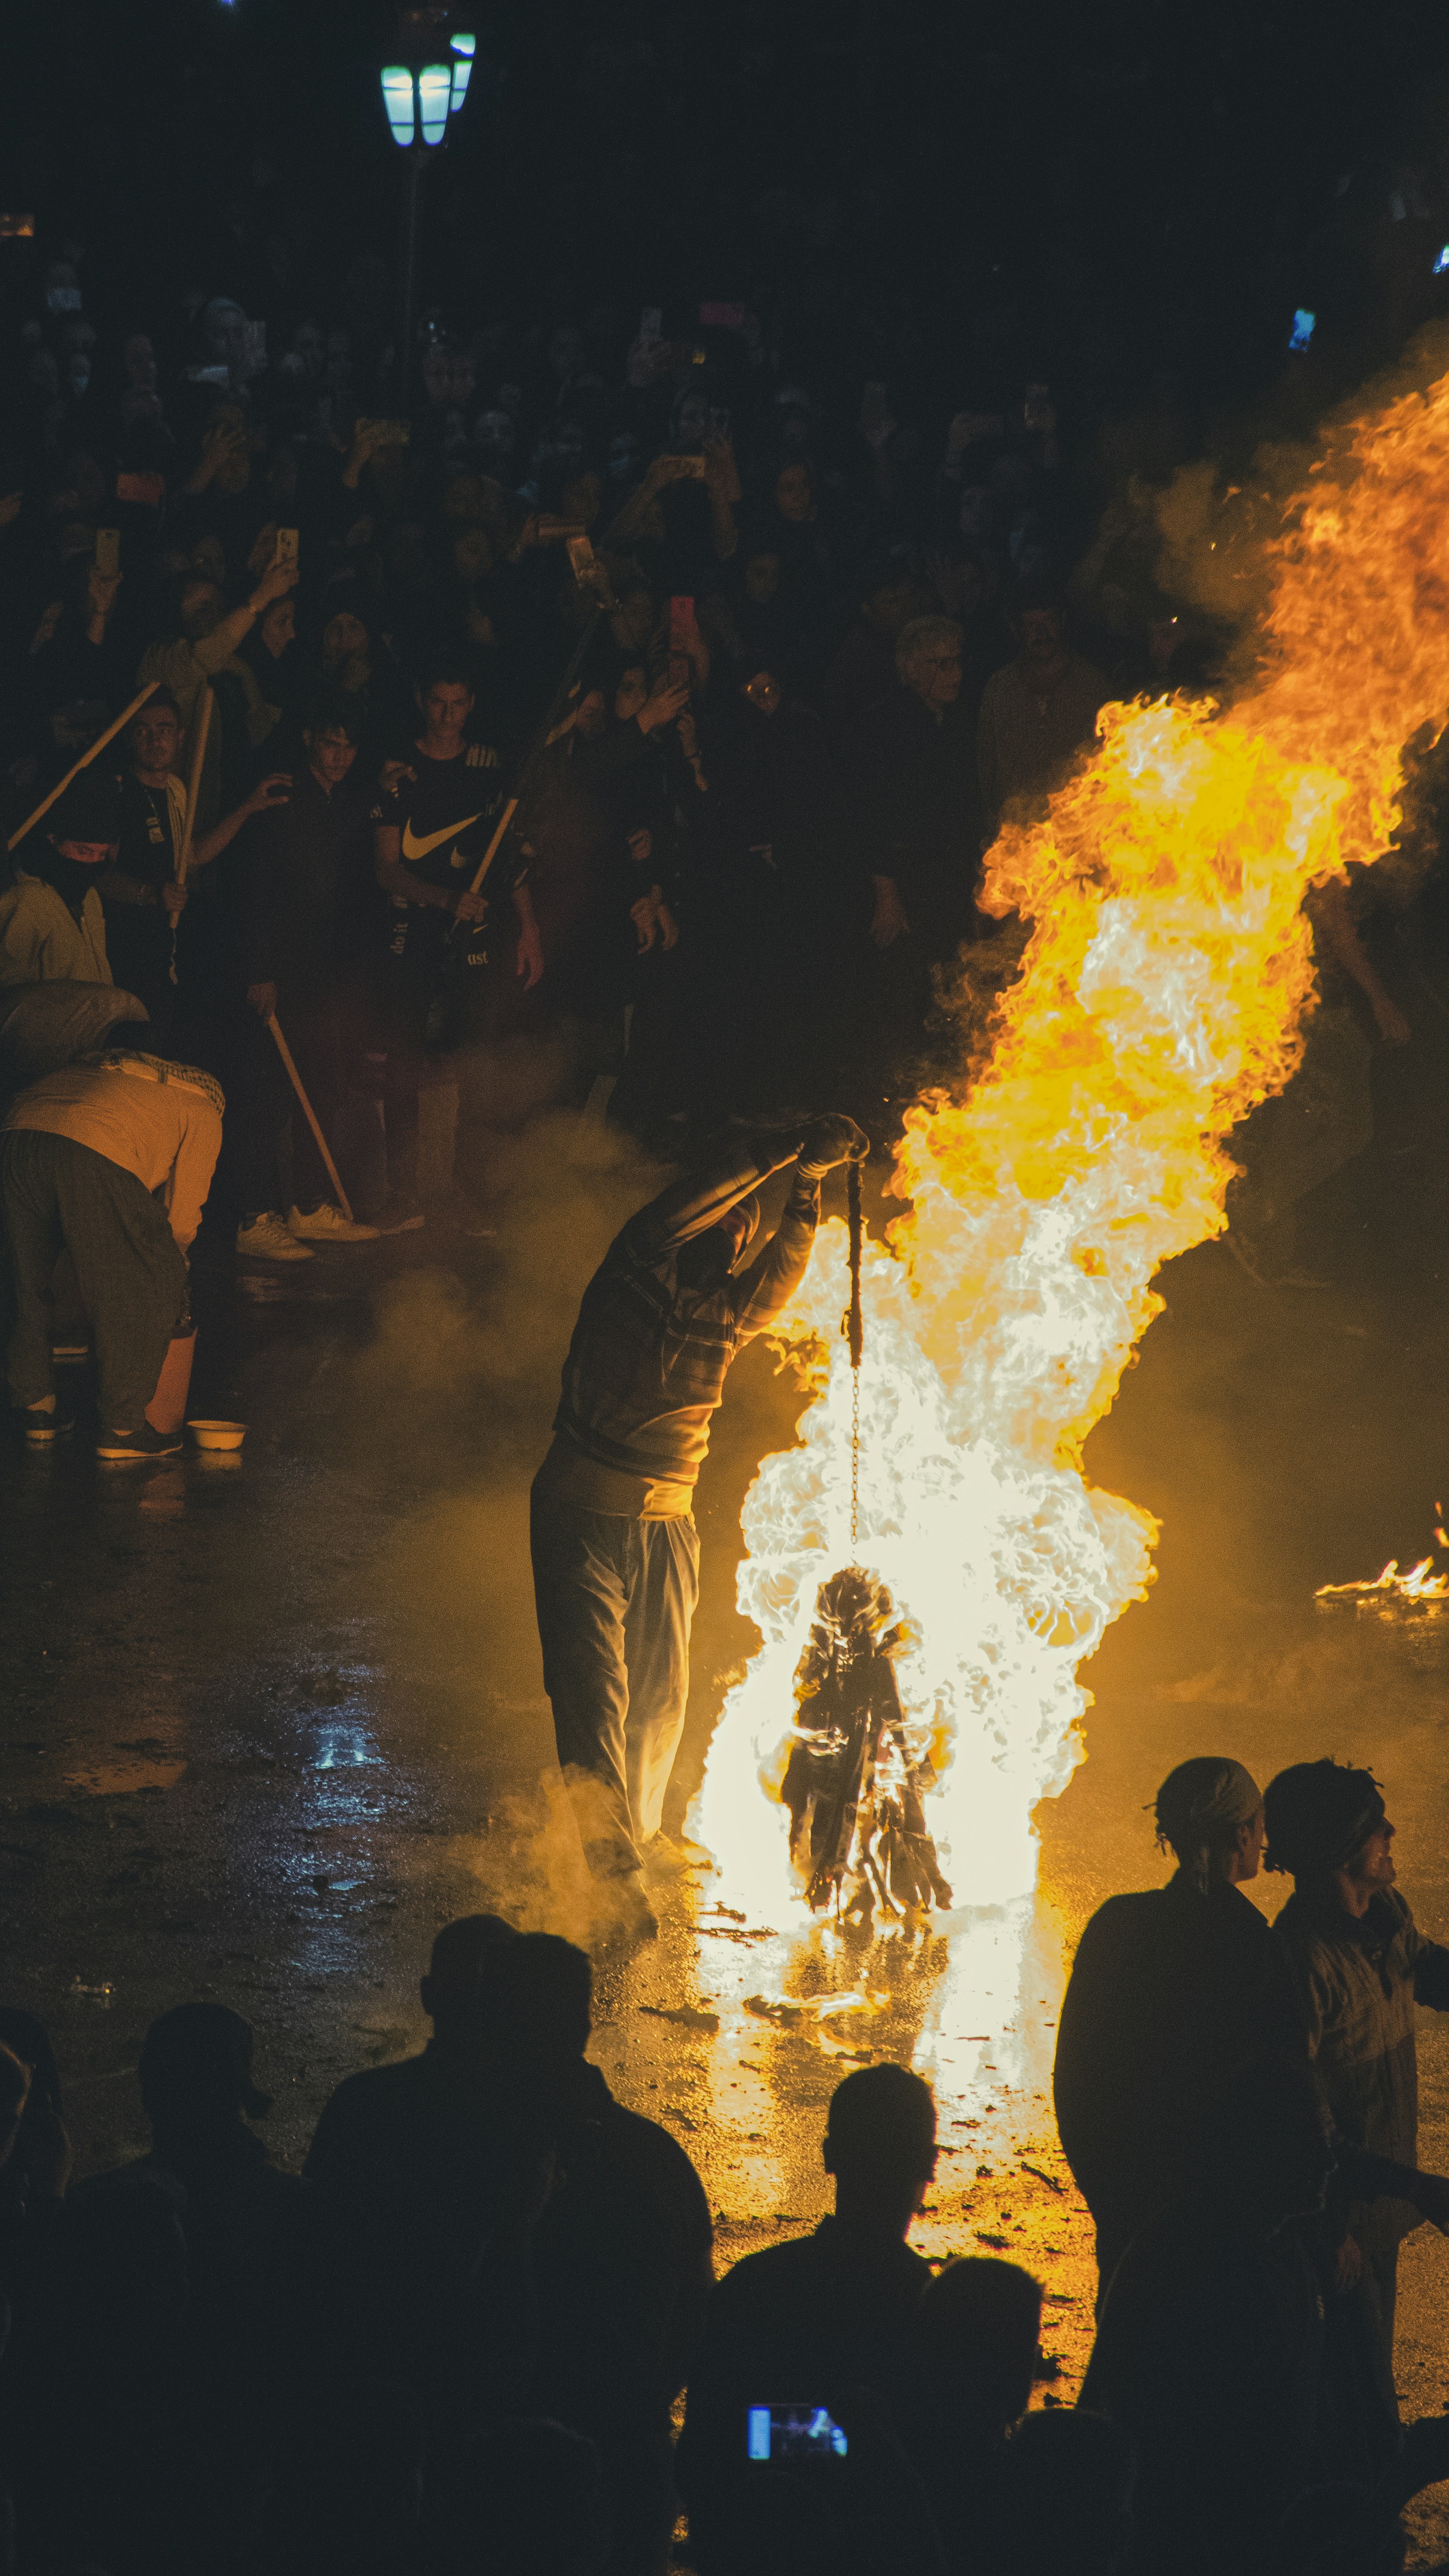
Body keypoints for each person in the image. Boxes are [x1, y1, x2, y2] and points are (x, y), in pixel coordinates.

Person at [530, 1115, 868, 1936]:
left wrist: (810, 1186)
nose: (728, 1234)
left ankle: (631, 1841)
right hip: (581, 1510)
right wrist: (788, 1145)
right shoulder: (630, 1273)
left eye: (738, 1230)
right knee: (593, 1697)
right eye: (719, 1221)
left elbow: (785, 1267)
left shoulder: (727, 1315)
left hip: (667, 1525)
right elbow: (683, 1204)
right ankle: (611, 1874)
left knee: (656, 1701)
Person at [676, 2063, 937, 2574]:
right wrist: (847, 2438)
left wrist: (821, 2435)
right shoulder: (937, 2314)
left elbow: (707, 2452)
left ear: (829, 2156)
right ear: (930, 2165)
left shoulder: (755, 2288)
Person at [1053, 1756, 1300, 2290]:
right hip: (1223, 2233)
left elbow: (1076, 2079)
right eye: (1258, 1825)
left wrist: (1109, 2199)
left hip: (1131, 2218)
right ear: (1241, 1835)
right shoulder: (1252, 1947)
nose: (1264, 1837)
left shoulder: (1117, 1927)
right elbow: (1280, 2095)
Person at [1085, 2052, 1335, 2576]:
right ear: (1261, 2149)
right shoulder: (1197, 2267)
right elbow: (1185, 2458)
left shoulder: (1276, 2247)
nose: (1329, 2160)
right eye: (1311, 2140)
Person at [1266, 1761, 1449, 2380]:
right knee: (1355, 2414)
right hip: (1339, 2234)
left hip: (1382, 2216)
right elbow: (1296, 2119)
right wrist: (1330, 2228)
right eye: (1375, 1827)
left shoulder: (1385, 1913)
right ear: (1339, 1847)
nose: (1391, 1831)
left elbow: (1423, 1968)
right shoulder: (1302, 1961)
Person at [372, 663, 543, 1232]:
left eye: (458, 704)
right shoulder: (399, 770)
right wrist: (446, 900)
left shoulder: (490, 768)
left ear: (472, 705)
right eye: (438, 703)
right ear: (423, 702)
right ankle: (403, 1192)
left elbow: (511, 859)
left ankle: (468, 1189)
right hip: (413, 931)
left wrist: (530, 930)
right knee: (404, 1059)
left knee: (477, 1058)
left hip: (477, 935)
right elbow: (389, 870)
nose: (447, 715)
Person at [1, 1036, 222, 1456]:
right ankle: (124, 1430)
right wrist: (173, 1275)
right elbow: (182, 1217)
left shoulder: (117, 1078)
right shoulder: (203, 1108)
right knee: (151, 1276)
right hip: (92, 1146)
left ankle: (35, 1408)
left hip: (13, 1137)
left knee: (23, 1278)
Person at [233, 699, 382, 1255]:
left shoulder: (335, 799)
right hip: (279, 969)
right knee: (267, 1094)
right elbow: (255, 888)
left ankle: (310, 1205)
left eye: (349, 746)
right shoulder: (283, 797)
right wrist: (259, 969)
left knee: (320, 1084)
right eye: (329, 743)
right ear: (307, 739)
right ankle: (253, 1218)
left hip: (321, 972)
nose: (340, 756)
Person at [99, 687, 290, 1035]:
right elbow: (99, 875)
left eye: (165, 729)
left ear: (181, 736)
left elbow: (191, 858)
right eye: (143, 730)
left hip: (164, 950)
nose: (155, 739)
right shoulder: (116, 792)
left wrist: (247, 809)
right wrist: (150, 895)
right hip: (120, 953)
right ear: (130, 736)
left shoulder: (175, 790)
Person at [976, 583, 1107, 833]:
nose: (1041, 632)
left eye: (1048, 621)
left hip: (1075, 826)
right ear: (1017, 631)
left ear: (1062, 623)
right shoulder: (1000, 689)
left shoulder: (1091, 686)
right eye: (1031, 625)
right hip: (1015, 828)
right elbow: (986, 761)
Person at [0, 770, 122, 986]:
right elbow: (12, 1000)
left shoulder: (90, 899)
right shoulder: (26, 902)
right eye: (84, 852)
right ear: (53, 840)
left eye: (101, 855)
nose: (93, 863)